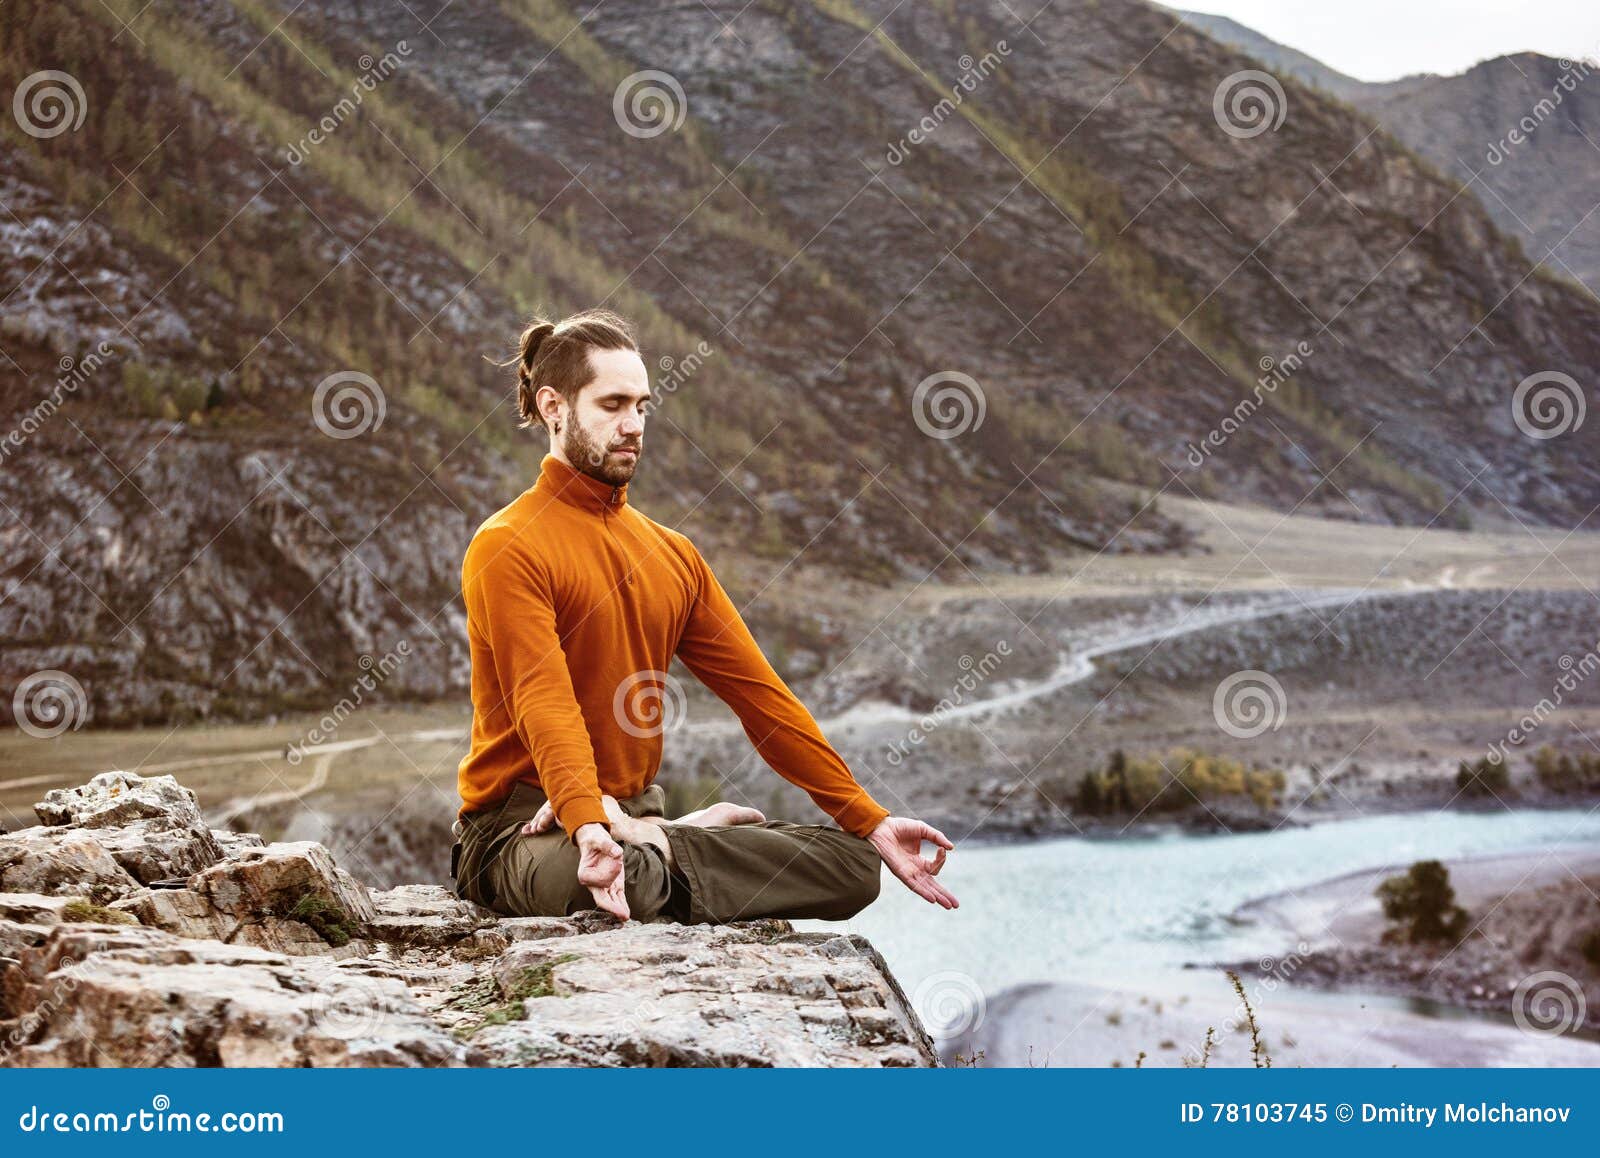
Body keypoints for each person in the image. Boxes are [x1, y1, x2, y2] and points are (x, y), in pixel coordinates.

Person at [451, 308, 958, 925]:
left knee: (855, 867)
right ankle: (660, 843)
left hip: (634, 815)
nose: (633, 425)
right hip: (517, 833)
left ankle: (661, 837)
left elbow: (761, 699)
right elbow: (542, 698)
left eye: (642, 407)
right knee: (627, 881)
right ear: (554, 406)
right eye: (612, 405)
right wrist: (586, 818)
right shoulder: (508, 543)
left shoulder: (673, 554)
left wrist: (867, 816)